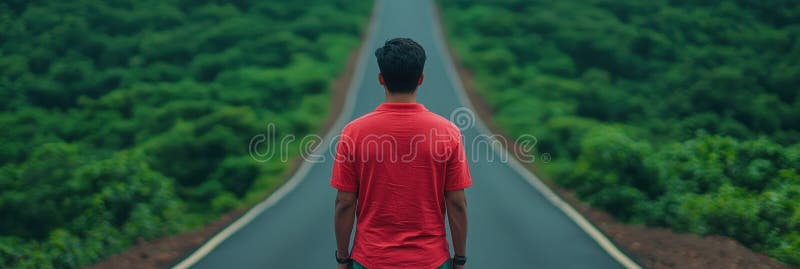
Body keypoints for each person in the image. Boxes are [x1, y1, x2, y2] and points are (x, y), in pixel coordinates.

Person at [331, 37, 472, 269]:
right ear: (421, 79)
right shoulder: (448, 132)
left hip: (370, 260)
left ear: (381, 79)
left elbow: (345, 202)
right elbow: (457, 202)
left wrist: (343, 257)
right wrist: (459, 259)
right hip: (431, 260)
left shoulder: (353, 132)